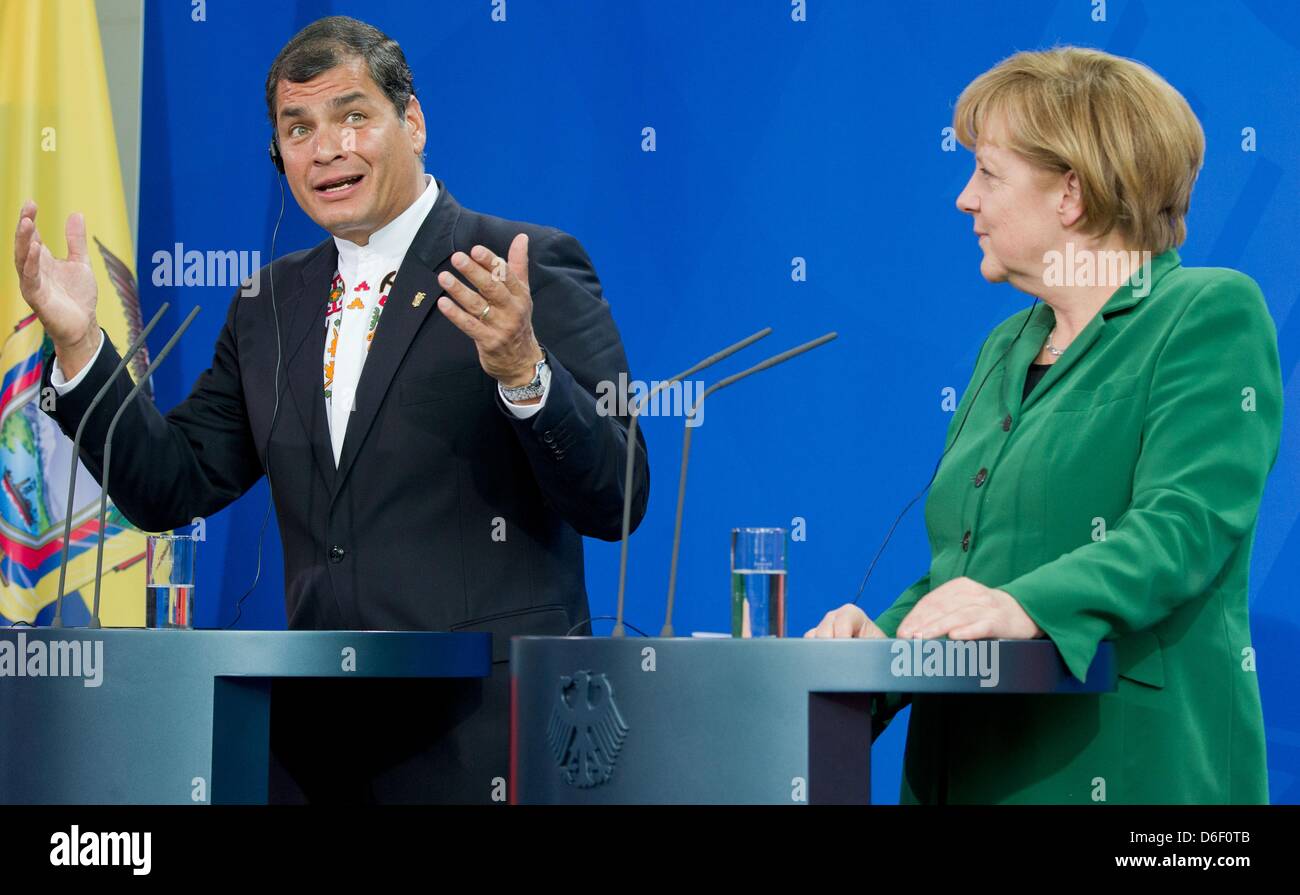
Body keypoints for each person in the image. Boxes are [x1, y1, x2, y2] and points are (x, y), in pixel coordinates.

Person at [13, 15, 649, 803]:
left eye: (353, 116)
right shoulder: (269, 304)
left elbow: (617, 495)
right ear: (278, 154)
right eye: (298, 128)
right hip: (315, 757)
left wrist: (526, 371)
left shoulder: (519, 268)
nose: (327, 149)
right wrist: (81, 349)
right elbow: (170, 485)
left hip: (487, 743)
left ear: (411, 122)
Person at [807, 47, 1282, 804]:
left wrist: (1025, 606)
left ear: (1071, 193)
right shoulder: (1009, 343)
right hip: (961, 770)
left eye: (989, 174)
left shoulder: (1207, 313)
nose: (966, 199)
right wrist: (883, 651)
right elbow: (963, 571)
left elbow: (1181, 526)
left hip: (1124, 776)